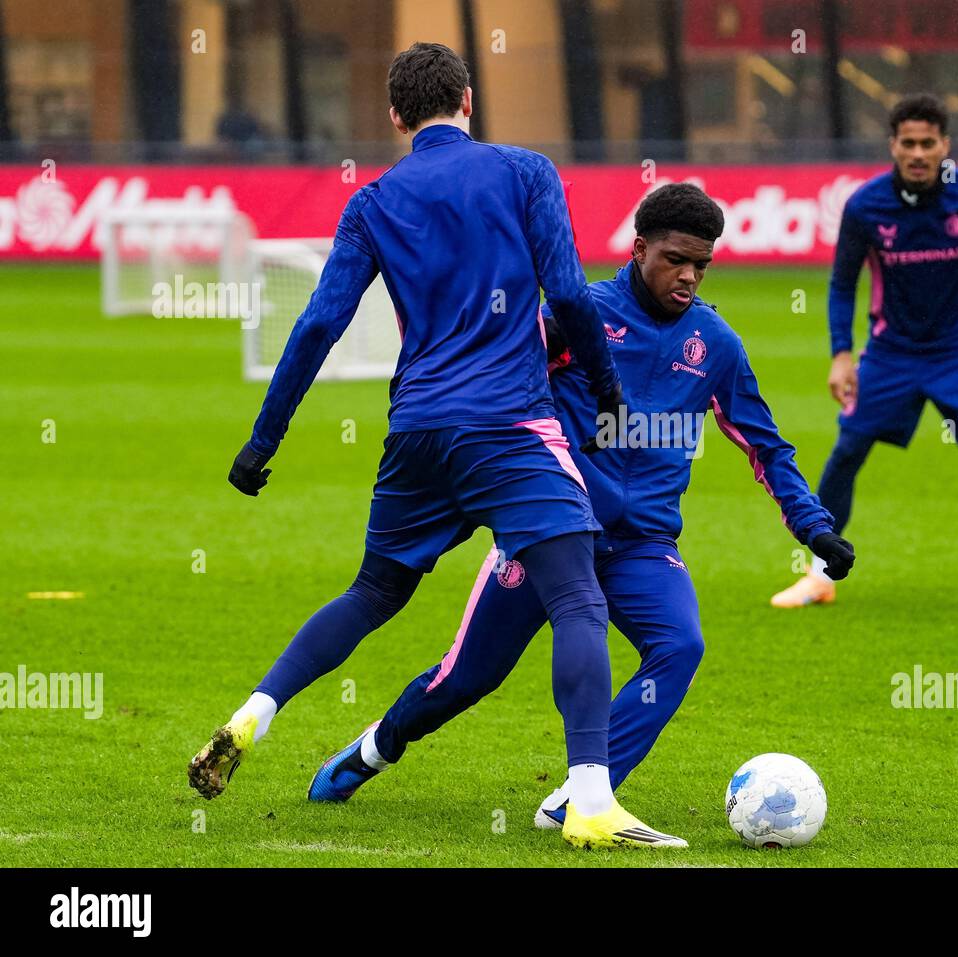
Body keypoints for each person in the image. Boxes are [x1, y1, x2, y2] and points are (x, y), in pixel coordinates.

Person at [188, 42, 675, 847]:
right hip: (510, 425)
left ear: (395, 117)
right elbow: (568, 295)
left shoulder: (373, 202)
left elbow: (318, 324)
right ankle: (590, 798)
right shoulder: (525, 172)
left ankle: (254, 712)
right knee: (579, 596)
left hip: (416, 432)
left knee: (374, 592)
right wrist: (611, 392)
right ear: (469, 99)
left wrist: (261, 439)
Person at [306, 183, 855, 848]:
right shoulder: (580, 314)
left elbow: (765, 446)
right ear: (639, 247)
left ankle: (579, 796)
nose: (689, 275)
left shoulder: (716, 344)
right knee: (466, 678)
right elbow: (490, 378)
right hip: (549, 534)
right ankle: (374, 749)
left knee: (680, 645)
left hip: (644, 544)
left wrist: (815, 526)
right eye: (676, 259)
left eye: (702, 265)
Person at [770, 93, 958, 614]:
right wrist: (841, 354)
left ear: (945, 145)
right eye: (908, 143)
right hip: (891, 353)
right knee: (847, 450)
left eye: (928, 143)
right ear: (893, 146)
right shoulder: (865, 206)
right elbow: (841, 284)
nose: (918, 153)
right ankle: (819, 575)